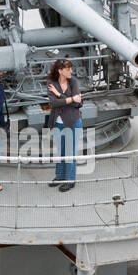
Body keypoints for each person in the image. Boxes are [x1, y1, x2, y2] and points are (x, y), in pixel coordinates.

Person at [46, 59, 82, 193]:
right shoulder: (51, 83)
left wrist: (59, 94)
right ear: (60, 71)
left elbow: (78, 104)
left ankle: (70, 180)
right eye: (68, 69)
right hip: (58, 123)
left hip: (73, 122)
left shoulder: (73, 82)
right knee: (60, 151)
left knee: (70, 152)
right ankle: (60, 177)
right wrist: (71, 99)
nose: (71, 72)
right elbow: (54, 104)